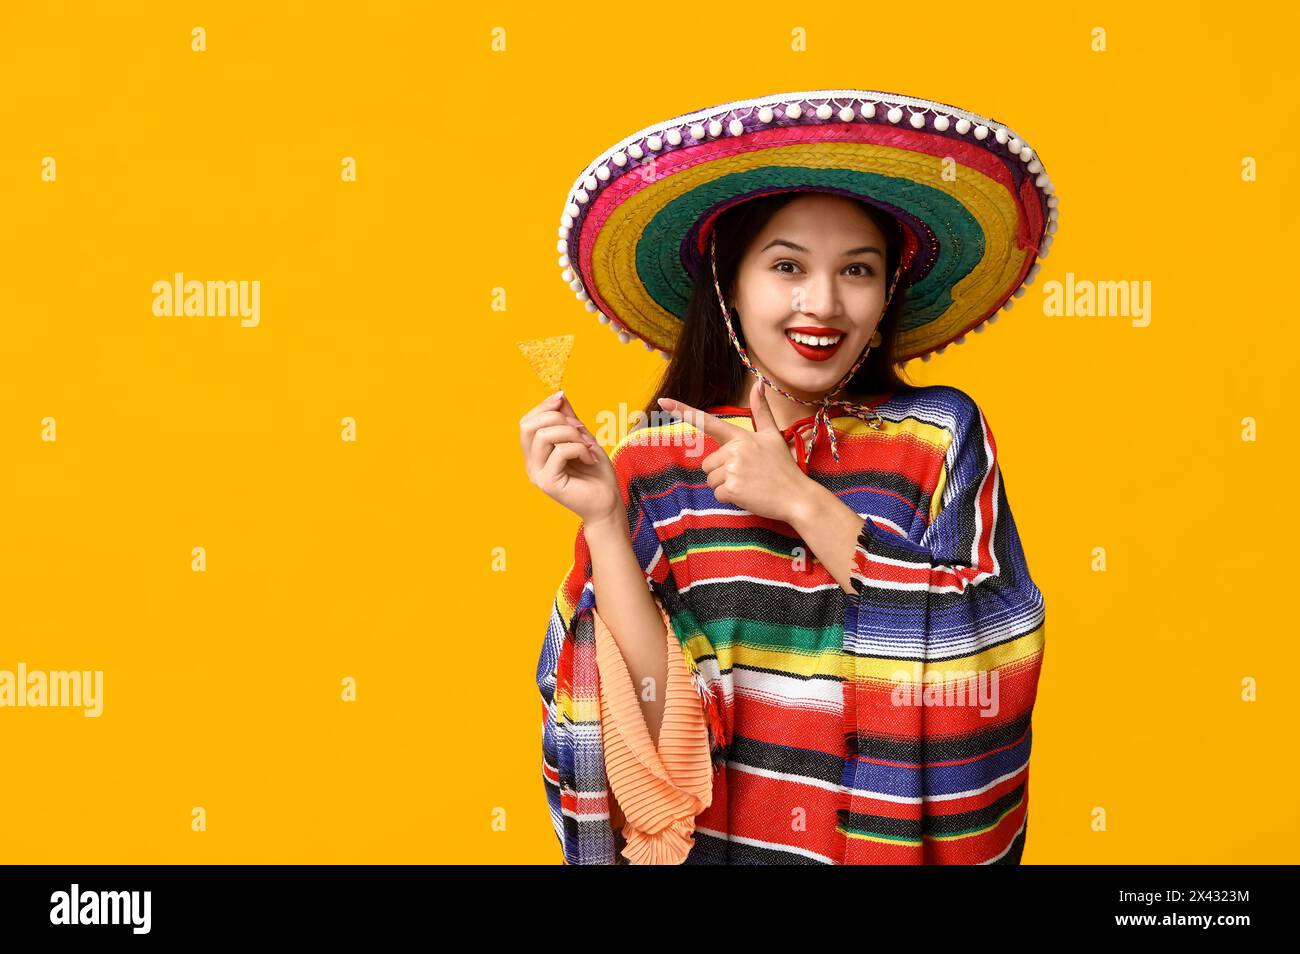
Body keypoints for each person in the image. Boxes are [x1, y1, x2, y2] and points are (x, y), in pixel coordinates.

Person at [525, 89, 1055, 864]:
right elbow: (649, 734)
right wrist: (607, 521)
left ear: (887, 293)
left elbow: (993, 658)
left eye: (858, 270)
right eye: (786, 266)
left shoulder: (939, 438)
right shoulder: (654, 465)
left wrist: (803, 502)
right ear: (727, 281)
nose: (824, 303)